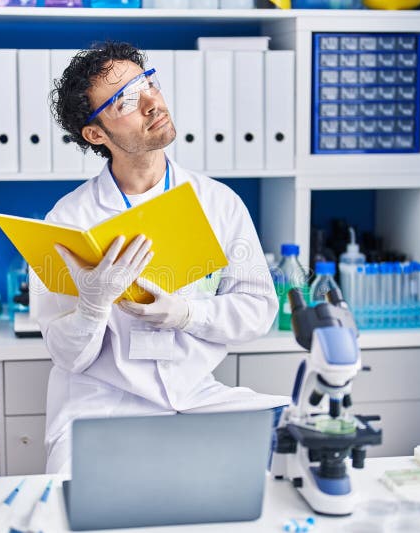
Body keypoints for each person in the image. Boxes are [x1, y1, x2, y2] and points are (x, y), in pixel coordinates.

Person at [34, 41, 288, 474]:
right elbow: (68, 357)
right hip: (102, 408)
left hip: (194, 399)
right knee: (75, 496)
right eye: (127, 101)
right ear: (95, 134)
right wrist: (92, 309)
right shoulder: (69, 221)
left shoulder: (217, 204)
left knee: (285, 455)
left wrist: (189, 314)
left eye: (148, 83)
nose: (152, 102)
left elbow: (259, 309)